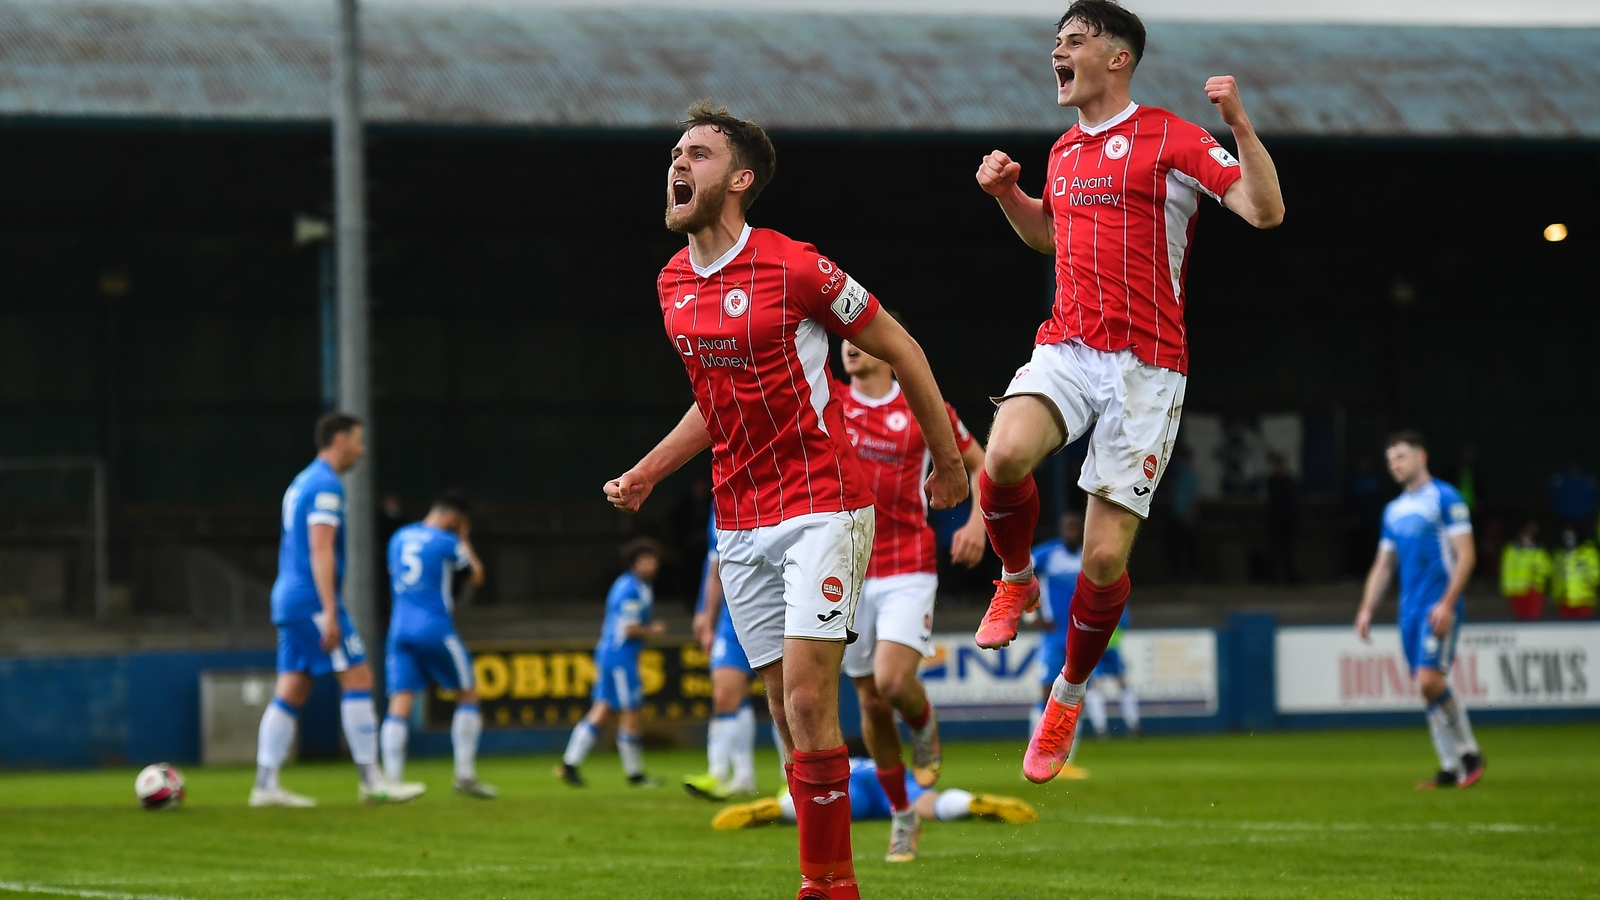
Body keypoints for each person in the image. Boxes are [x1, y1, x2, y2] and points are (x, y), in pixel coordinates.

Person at [604, 101, 968, 900]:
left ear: (738, 180)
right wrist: (648, 470)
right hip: (738, 519)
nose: (677, 163)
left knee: (810, 697)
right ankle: (825, 873)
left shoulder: (795, 267)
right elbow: (715, 402)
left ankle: (829, 887)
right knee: (783, 711)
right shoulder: (670, 284)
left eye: (695, 153)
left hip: (824, 501)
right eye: (674, 151)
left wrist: (949, 461)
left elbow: (900, 347)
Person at [970, 0, 1283, 784]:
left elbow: (1263, 210)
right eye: (1055, 43)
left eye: (1073, 41)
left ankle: (1067, 695)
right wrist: (1011, 194)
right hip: (1069, 346)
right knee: (1002, 455)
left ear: (1119, 57)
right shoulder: (1066, 151)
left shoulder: (1174, 137)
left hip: (1148, 368)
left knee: (1105, 559)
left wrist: (1239, 127)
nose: (1058, 53)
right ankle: (1015, 580)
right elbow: (1050, 233)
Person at [837, 329, 989, 862]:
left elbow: (983, 463)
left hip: (908, 563)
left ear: (888, 349)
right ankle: (903, 814)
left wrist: (977, 523)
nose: (849, 346)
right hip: (844, 569)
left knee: (893, 681)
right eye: (844, 341)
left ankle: (924, 726)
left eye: (860, 339)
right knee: (870, 705)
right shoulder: (827, 399)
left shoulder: (924, 408)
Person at [250, 412, 425, 807]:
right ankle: (372, 781)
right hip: (311, 599)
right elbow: (320, 546)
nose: (362, 450)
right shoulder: (326, 484)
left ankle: (265, 785)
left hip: (289, 597)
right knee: (359, 677)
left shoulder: (301, 481)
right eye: (358, 441)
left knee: (292, 688)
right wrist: (330, 609)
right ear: (339, 440)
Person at [1355, 431, 1485, 790]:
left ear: (1421, 457)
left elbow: (1467, 555)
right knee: (1425, 688)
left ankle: (1470, 753)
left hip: (1437, 606)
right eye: (1390, 460)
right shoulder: (1393, 510)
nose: (1395, 464)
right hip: (1408, 611)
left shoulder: (1445, 498)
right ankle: (1449, 767)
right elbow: (1383, 565)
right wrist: (1367, 608)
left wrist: (1446, 602)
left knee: (1430, 681)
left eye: (1401, 456)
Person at [378, 491, 495, 798]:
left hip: (399, 629)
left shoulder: (399, 538)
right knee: (467, 693)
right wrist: (464, 538)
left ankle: (391, 780)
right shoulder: (447, 541)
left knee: (399, 703)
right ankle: (465, 776)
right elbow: (477, 575)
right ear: (453, 517)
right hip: (434, 627)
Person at [711, 742, 1038, 839]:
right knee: (927, 803)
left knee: (821, 804)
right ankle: (968, 803)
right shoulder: (874, 760)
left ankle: (776, 809)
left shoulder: (846, 763)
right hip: (890, 778)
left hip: (851, 782)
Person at [559, 538, 668, 788]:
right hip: (620, 657)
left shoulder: (639, 586)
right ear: (633, 563)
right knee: (632, 710)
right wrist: (653, 630)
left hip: (611, 654)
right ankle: (635, 774)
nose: (651, 565)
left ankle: (569, 763)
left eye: (653, 560)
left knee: (603, 709)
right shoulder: (629, 589)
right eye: (645, 560)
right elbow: (628, 629)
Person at [685, 506, 760, 801]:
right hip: (732, 618)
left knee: (786, 699)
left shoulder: (778, 488)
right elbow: (715, 566)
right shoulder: (719, 507)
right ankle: (722, 774)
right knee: (725, 696)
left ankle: (790, 778)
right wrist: (706, 614)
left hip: (777, 609)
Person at [1028, 510, 1089, 780]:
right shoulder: (1047, 554)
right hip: (1054, 637)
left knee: (1077, 697)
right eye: (1068, 527)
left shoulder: (1091, 555)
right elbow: (1018, 575)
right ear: (1061, 530)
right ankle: (1036, 754)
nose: (1071, 532)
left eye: (1076, 527)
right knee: (1046, 692)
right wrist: (1032, 615)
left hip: (1083, 636)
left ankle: (1066, 761)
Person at [1083, 607, 1139, 740]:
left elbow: (1124, 622)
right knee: (1097, 686)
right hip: (1097, 648)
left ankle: (1132, 726)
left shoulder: (1117, 601)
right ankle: (1102, 729)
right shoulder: (1115, 600)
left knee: (1119, 685)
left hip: (1109, 648)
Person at [1499, 519, 1551, 621]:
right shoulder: (1512, 549)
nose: (1532, 531)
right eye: (1530, 528)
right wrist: (1507, 589)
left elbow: (1547, 568)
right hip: (1516, 590)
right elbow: (1506, 570)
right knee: (1519, 619)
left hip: (1534, 588)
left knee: (1533, 619)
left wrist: (1537, 569)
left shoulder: (1539, 548)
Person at [1165, 445, 1200, 580]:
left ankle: (1193, 574)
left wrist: (1190, 515)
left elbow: (1194, 498)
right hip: (1175, 514)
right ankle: (1175, 574)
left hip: (1187, 516)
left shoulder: (1191, 476)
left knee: (1191, 547)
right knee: (1175, 547)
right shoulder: (1176, 476)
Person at [1550, 528, 1599, 619]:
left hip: (1583, 600)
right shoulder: (1559, 555)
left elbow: (1595, 575)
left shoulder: (1587, 553)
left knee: (1584, 630)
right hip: (1565, 600)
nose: (1568, 539)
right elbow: (1555, 578)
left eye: (1570, 536)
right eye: (1565, 537)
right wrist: (1556, 597)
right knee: (1565, 630)